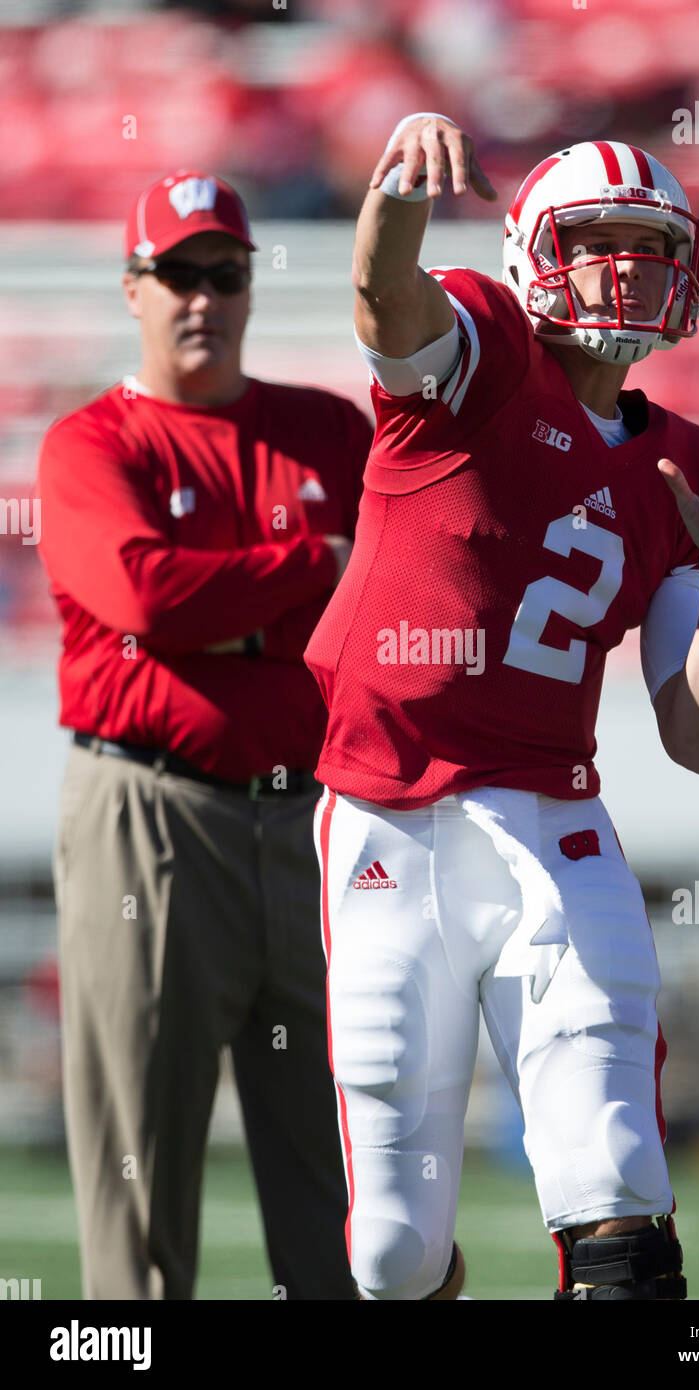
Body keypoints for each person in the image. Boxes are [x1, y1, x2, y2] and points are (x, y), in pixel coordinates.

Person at [303, 116, 699, 1300]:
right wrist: (395, 180)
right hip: (383, 817)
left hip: (554, 822)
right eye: (594, 241)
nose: (625, 270)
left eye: (647, 247)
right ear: (530, 253)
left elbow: (698, 738)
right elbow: (379, 291)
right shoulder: (482, 352)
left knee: (615, 1192)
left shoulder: (685, 464)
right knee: (390, 1253)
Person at [36, 170, 371, 1300]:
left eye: (223, 273)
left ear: (248, 286)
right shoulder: (90, 443)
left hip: (315, 820)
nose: (201, 296)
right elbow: (146, 597)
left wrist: (243, 617)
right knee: (137, 1185)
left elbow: (384, 597)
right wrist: (305, 576)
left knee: (342, 1178)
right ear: (134, 286)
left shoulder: (327, 428)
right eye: (176, 272)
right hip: (154, 817)